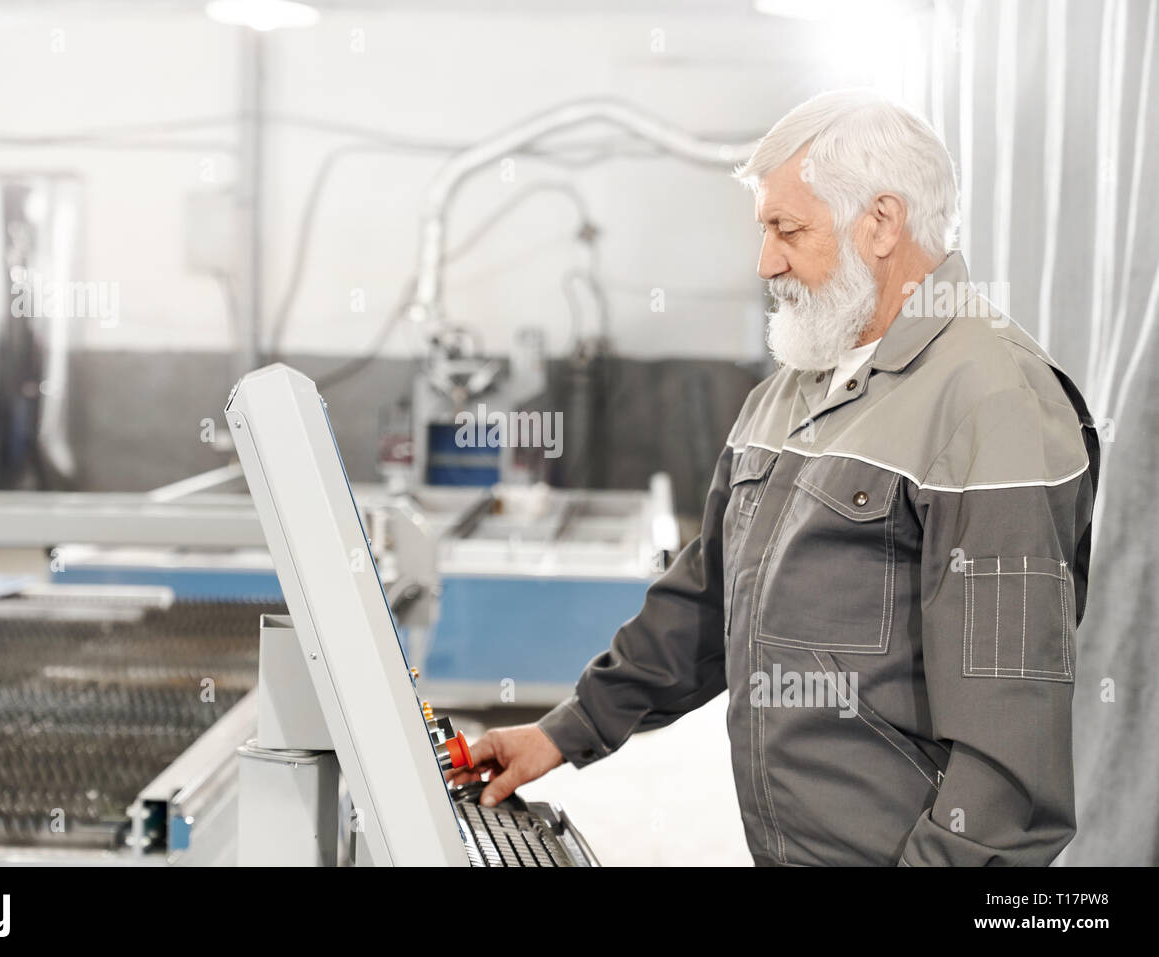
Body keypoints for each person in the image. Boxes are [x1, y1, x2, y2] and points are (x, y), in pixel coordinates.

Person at [446, 89, 1100, 866]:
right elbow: (708, 597)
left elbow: (1006, 769)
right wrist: (568, 728)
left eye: (788, 230)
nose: (765, 261)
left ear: (882, 223)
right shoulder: (793, 387)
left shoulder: (994, 400)